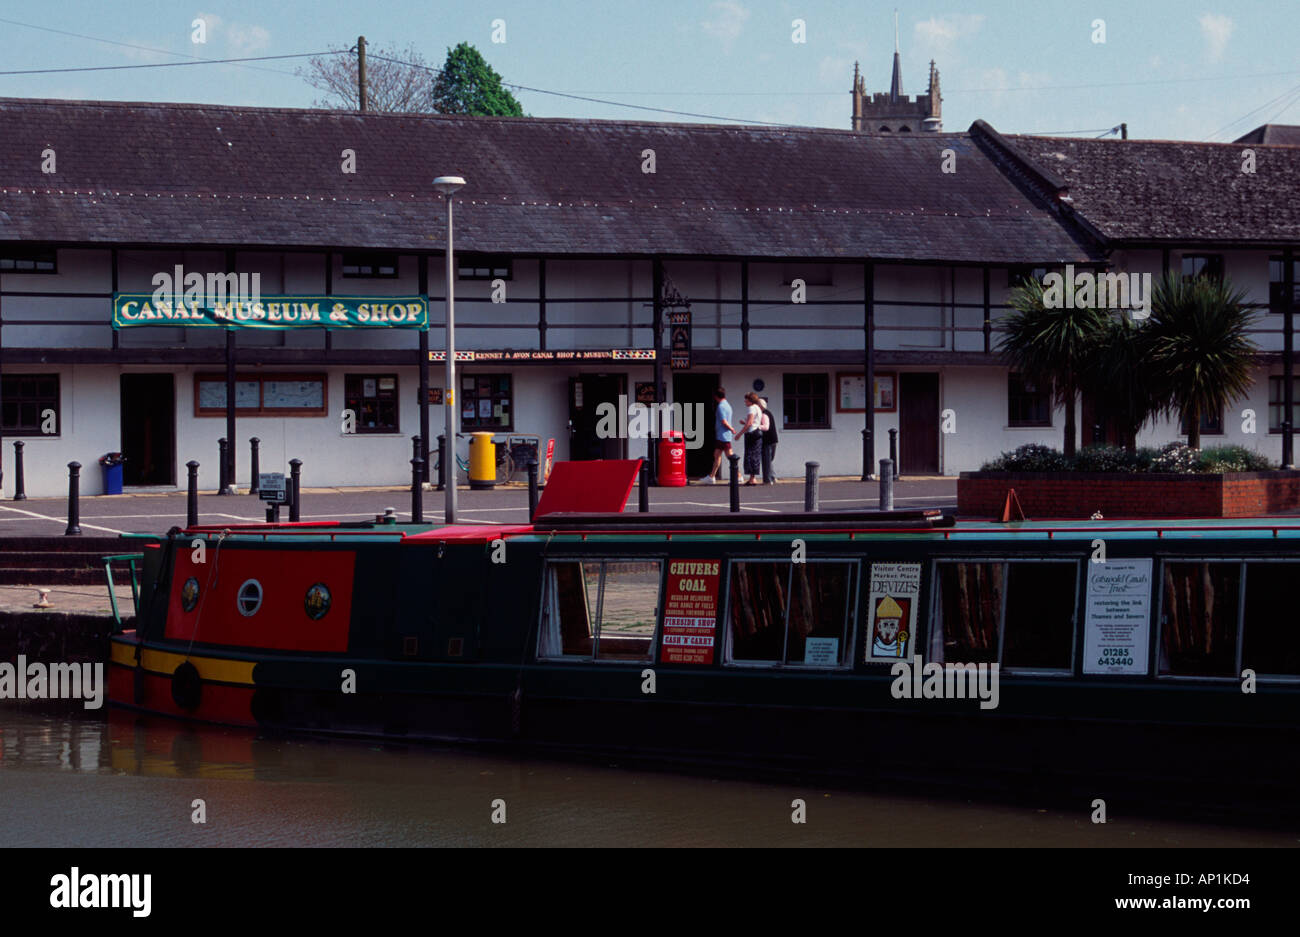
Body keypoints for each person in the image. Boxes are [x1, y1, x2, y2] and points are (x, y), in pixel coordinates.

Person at [702, 387, 734, 483]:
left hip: (722, 435)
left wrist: (731, 429)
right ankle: (712, 476)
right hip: (723, 435)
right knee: (717, 455)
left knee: (730, 456)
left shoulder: (721, 406)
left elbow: (724, 421)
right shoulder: (728, 405)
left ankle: (738, 475)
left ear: (716, 397)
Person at [734, 392, 762, 485]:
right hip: (757, 432)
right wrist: (744, 423)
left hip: (751, 433)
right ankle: (753, 477)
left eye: (746, 399)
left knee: (749, 455)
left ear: (750, 400)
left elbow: (749, 423)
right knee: (755, 455)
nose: (745, 401)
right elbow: (754, 422)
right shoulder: (758, 408)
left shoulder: (751, 408)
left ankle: (752, 479)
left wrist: (739, 434)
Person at [757, 396, 779, 484]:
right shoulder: (768, 412)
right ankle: (773, 477)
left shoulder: (763, 414)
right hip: (773, 440)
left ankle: (767, 480)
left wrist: (756, 426)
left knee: (766, 460)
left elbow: (766, 427)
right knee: (769, 460)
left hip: (768, 440)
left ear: (760, 406)